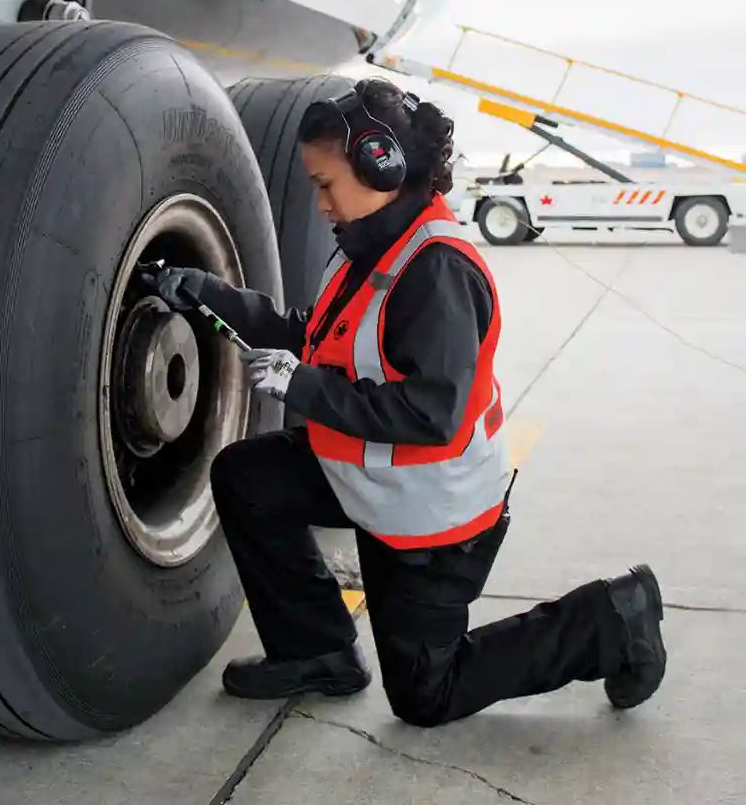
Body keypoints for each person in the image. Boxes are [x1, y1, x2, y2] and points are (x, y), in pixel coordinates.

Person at [153, 77, 665, 727]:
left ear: (381, 164)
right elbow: (314, 335)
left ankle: (613, 620)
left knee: (428, 694)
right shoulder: (371, 248)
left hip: (430, 514)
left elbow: (429, 415)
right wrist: (210, 293)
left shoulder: (435, 270)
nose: (320, 203)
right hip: (368, 477)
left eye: (325, 184)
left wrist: (301, 386)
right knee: (248, 476)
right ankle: (317, 652)